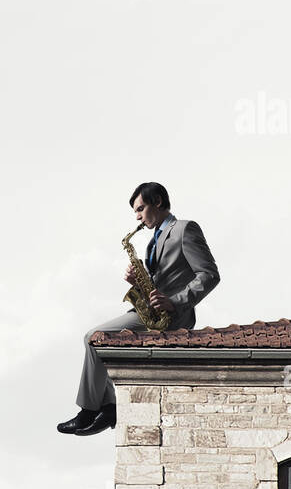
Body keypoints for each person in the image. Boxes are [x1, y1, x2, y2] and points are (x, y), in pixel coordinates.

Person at [57, 182, 220, 436]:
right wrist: (138, 284)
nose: (137, 217)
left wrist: (175, 301)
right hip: (151, 313)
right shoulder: (150, 244)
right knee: (97, 340)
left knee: (94, 338)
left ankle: (91, 410)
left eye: (140, 208)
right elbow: (155, 287)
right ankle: (109, 407)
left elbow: (209, 275)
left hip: (171, 317)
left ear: (157, 201)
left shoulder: (185, 229)